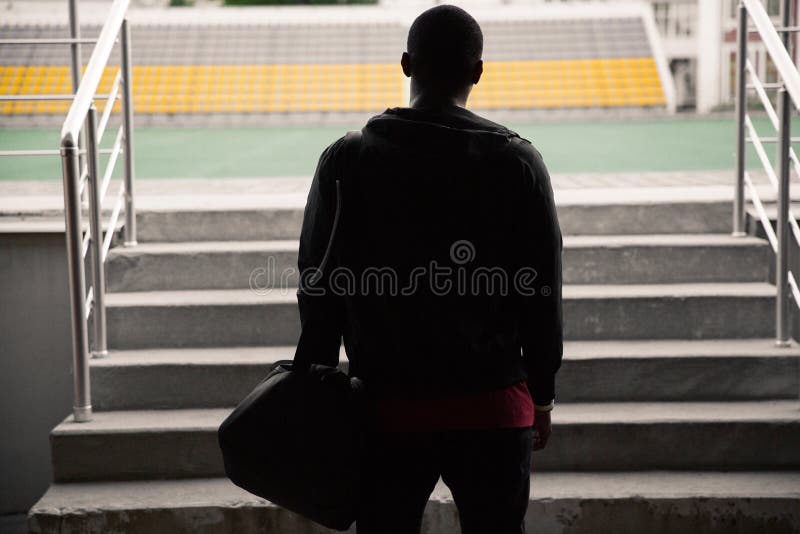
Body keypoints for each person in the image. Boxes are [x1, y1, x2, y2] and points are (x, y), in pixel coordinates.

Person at [293, 5, 563, 533]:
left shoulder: (346, 159)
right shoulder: (518, 163)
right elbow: (543, 292)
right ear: (478, 72)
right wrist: (543, 390)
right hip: (493, 407)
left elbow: (316, 284)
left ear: (405, 63)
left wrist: (322, 383)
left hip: (383, 408)